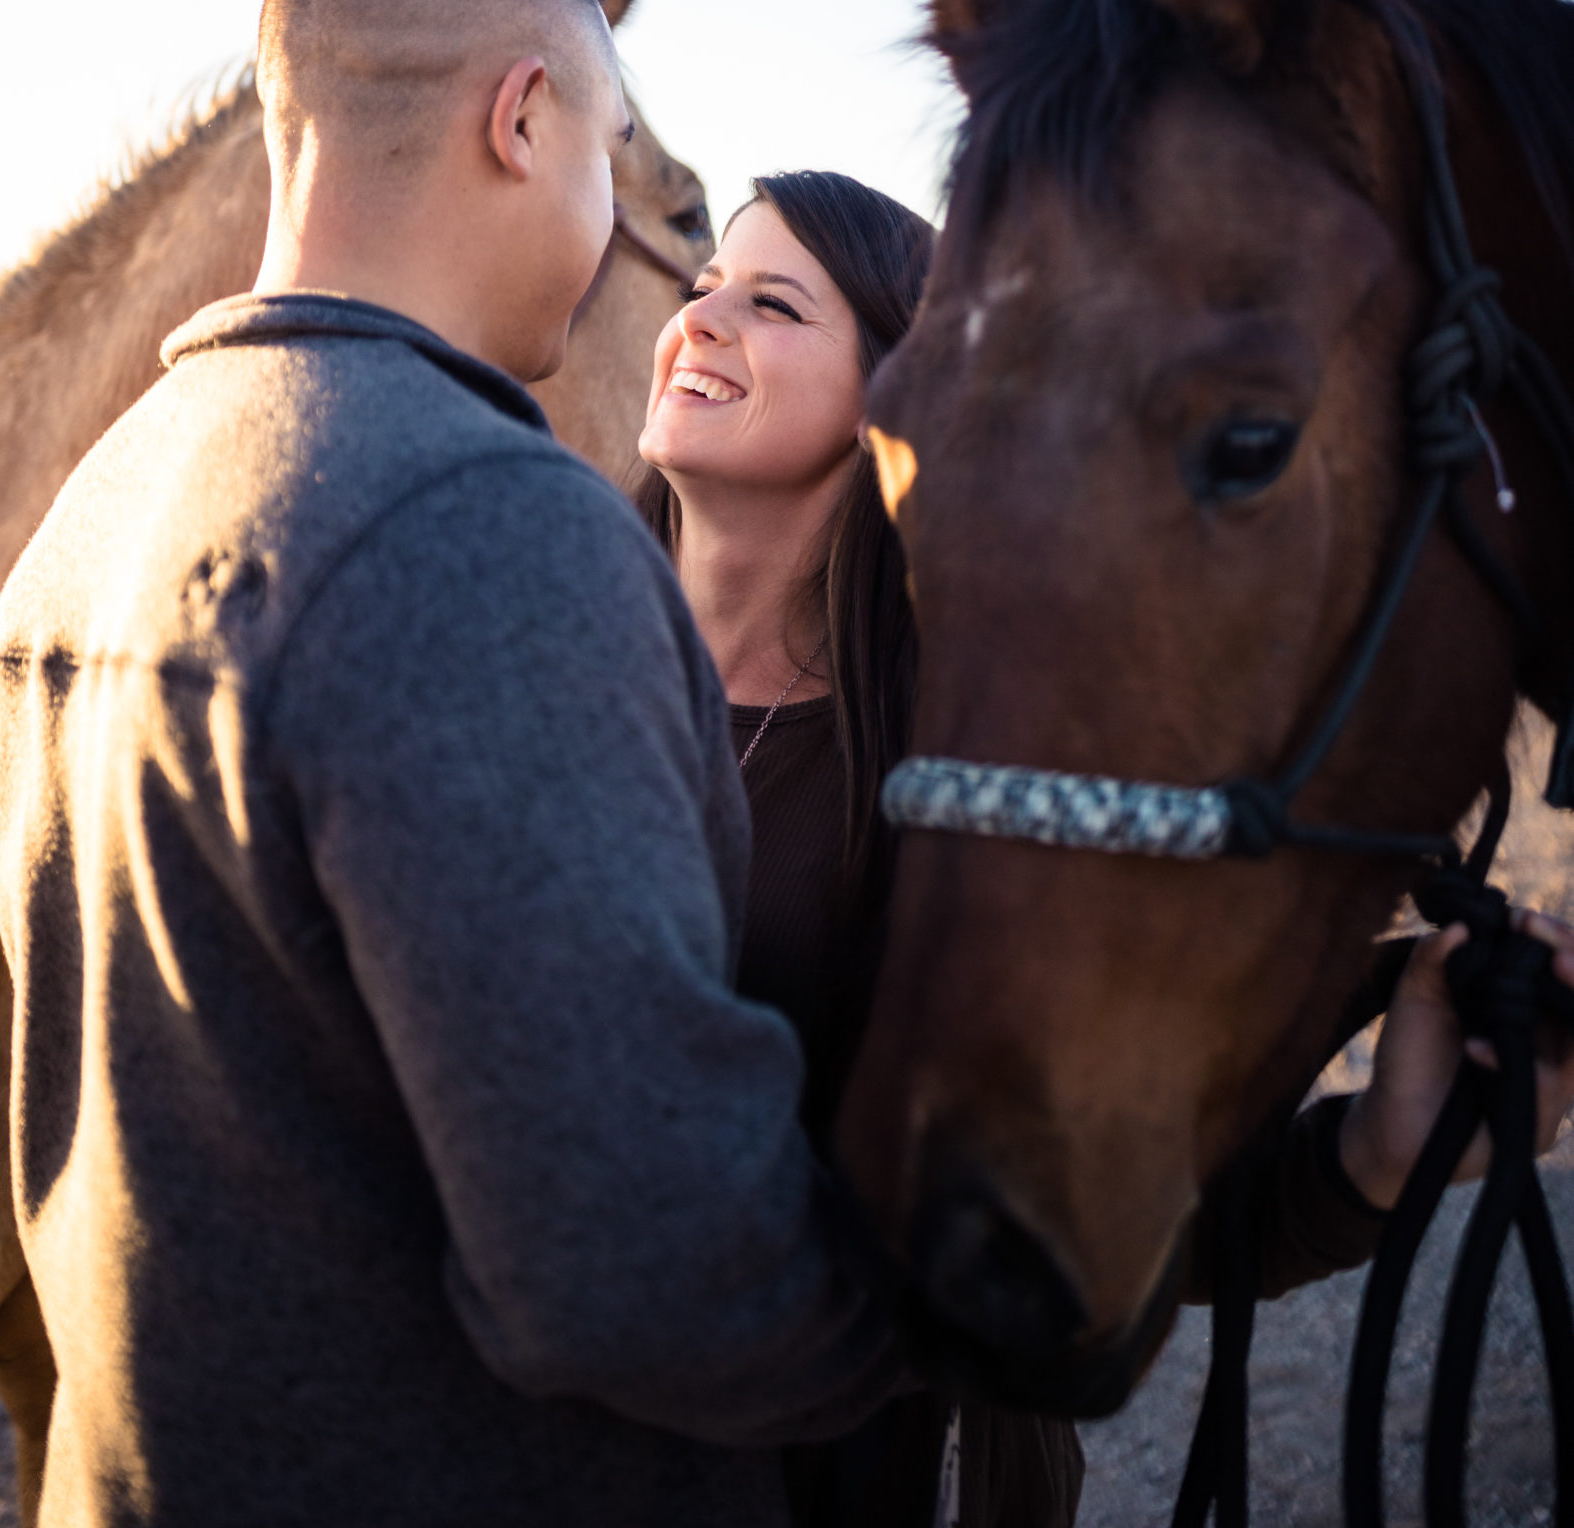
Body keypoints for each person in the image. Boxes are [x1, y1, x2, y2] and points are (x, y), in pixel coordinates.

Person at [0, 0, 903, 1528]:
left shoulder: (86, 523)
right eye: (613, 151)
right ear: (527, 117)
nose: (652, 262)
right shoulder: (489, 524)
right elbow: (627, 1267)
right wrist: (945, 1325)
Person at [636, 168, 1574, 1528]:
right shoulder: (527, 676)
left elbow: (1100, 1220)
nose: (699, 318)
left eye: (771, 301)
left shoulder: (968, 802)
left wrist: (1378, 1153)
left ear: (907, 412)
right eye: (702, 284)